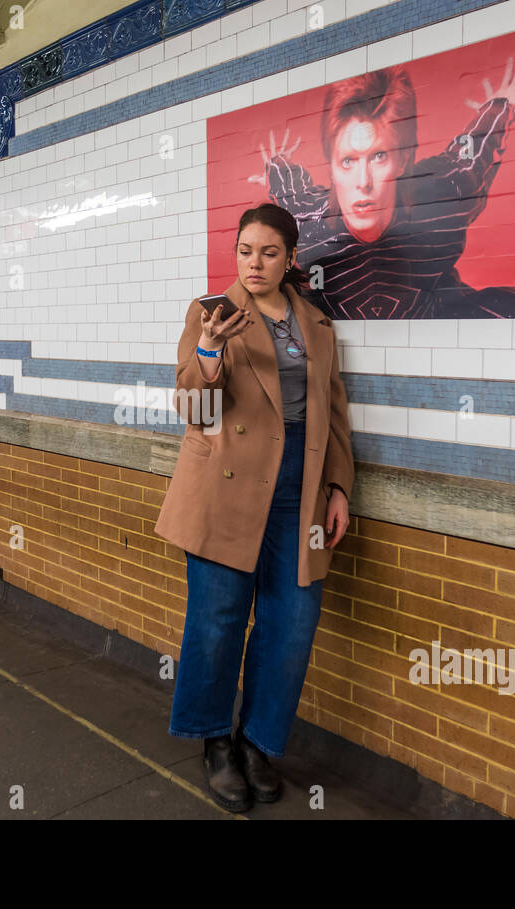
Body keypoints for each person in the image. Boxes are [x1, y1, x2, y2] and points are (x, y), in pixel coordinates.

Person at [154, 202, 354, 812]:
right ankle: (215, 742)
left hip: (301, 486)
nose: (254, 263)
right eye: (245, 251)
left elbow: (337, 413)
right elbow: (194, 410)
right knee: (217, 619)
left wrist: (339, 488)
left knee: (292, 622)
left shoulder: (317, 325)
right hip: (227, 486)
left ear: (292, 259)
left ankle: (257, 742)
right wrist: (209, 356)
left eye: (269, 252)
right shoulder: (212, 314)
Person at [250, 54, 515, 319]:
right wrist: (276, 164)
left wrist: (498, 109)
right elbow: (290, 190)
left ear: (403, 161)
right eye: (348, 161)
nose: (363, 182)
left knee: (513, 310)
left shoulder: (445, 196)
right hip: (331, 332)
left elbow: (470, 158)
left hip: (434, 315)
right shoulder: (307, 223)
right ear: (331, 167)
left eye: (379, 156)